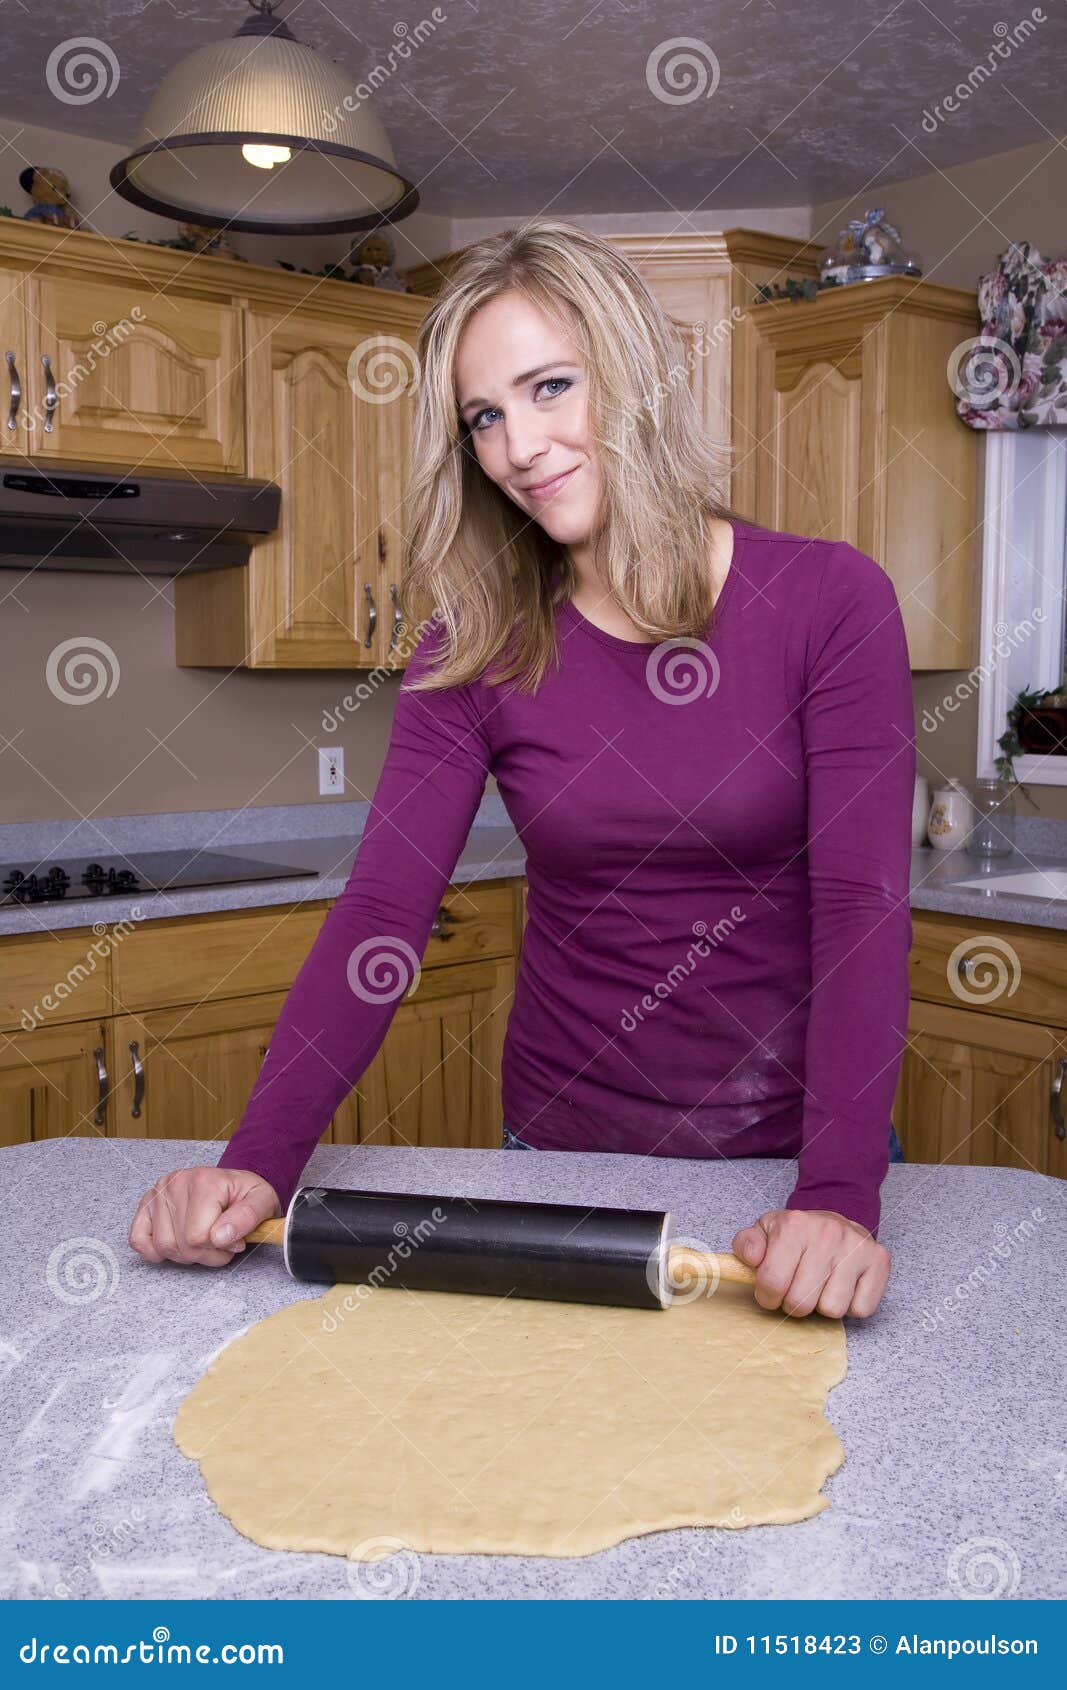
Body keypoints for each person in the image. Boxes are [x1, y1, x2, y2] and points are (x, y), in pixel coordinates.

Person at [129, 218, 915, 1320]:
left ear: (634, 377)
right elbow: (382, 915)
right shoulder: (475, 645)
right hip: (557, 1150)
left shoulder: (829, 603)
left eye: (550, 387)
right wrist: (257, 1162)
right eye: (484, 416)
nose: (518, 447)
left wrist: (835, 1193)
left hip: (785, 1169)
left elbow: (860, 909)